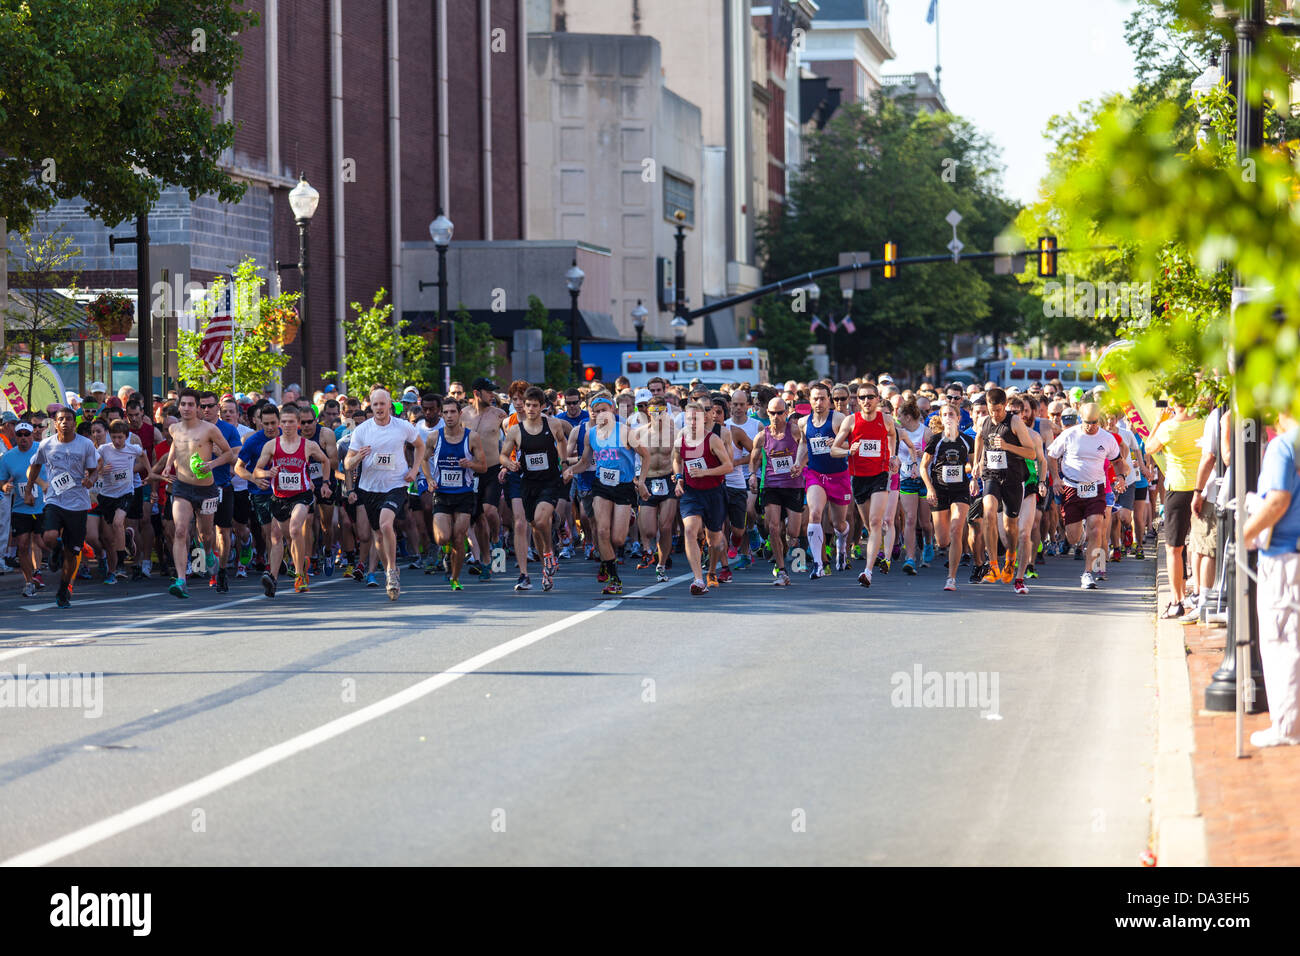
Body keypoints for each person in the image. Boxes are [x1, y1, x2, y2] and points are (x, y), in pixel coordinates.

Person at [1243, 410, 1300, 746]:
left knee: (1283, 642)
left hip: (1283, 558)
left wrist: (1245, 532)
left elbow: (1278, 500)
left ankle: (1287, 726)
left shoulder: (1283, 448)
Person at [343, 388, 426, 600]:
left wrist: (414, 470)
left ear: (390, 405)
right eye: (375, 405)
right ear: (370, 406)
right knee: (378, 535)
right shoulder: (362, 431)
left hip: (396, 484)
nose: (379, 408)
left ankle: (390, 572)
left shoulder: (403, 427)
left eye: (383, 404)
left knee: (386, 523)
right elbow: (347, 463)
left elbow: (420, 446)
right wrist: (357, 458)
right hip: (369, 488)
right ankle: (391, 568)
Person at [152, 389, 235, 599]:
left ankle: (207, 553)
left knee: (206, 534)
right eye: (184, 404)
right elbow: (175, 447)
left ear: (198, 408)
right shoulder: (174, 429)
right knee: (180, 530)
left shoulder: (210, 430)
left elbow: (228, 454)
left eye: (191, 405)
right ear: (179, 407)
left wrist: (212, 464)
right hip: (182, 487)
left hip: (207, 489)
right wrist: (168, 465)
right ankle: (181, 580)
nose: (187, 408)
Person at [563, 394, 645, 594]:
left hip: (624, 486)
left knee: (617, 539)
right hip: (601, 485)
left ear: (613, 411)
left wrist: (641, 481)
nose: (600, 415)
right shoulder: (590, 434)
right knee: (601, 532)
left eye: (604, 410)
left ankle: (629, 517)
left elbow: (646, 455)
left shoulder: (626, 432)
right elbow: (584, 462)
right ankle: (614, 578)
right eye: (596, 411)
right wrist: (570, 471)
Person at [1046, 402, 1129, 591]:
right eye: (1086, 422)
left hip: (1096, 488)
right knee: (1073, 537)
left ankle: (1088, 573)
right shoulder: (1070, 435)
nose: (1090, 426)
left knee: (1097, 527)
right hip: (1072, 487)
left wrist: (1121, 477)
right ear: (1080, 419)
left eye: (1093, 422)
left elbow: (1118, 462)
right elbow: (1051, 456)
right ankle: (1080, 536)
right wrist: (1056, 478)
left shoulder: (1107, 438)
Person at [252, 403, 333, 595]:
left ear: (297, 423)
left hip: (302, 495)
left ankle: (299, 575)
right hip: (280, 497)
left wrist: (326, 483)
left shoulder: (308, 445)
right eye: (284, 422)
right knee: (277, 536)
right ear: (280, 423)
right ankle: (272, 577)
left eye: (291, 422)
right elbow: (255, 471)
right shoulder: (271, 445)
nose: (287, 425)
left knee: (296, 528)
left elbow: (325, 461)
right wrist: (266, 473)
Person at [499, 386, 571, 591]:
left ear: (542, 406)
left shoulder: (553, 424)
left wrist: (564, 464)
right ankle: (545, 571)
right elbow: (503, 454)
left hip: (549, 481)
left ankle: (548, 552)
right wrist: (508, 464)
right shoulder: (515, 430)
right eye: (527, 405)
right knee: (536, 526)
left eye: (534, 405)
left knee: (540, 520)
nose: (530, 409)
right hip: (528, 483)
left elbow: (562, 441)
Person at [26, 407, 99, 608]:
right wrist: (29, 490)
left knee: (72, 552)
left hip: (78, 504)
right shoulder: (46, 445)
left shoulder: (85, 445)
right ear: (55, 423)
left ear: (74, 423)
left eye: (68, 419)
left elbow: (94, 470)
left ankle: (63, 590)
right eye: (61, 419)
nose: (65, 422)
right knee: (48, 536)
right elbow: (35, 466)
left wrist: (90, 480)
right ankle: (55, 549)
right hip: (55, 500)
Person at [832, 382, 902, 588]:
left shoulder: (886, 420)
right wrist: (848, 451)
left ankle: (868, 571)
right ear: (857, 401)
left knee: (875, 522)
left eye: (870, 397)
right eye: (861, 398)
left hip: (880, 475)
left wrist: (893, 456)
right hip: (858, 478)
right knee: (868, 525)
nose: (866, 401)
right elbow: (834, 449)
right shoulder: (851, 421)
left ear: (877, 399)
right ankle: (853, 549)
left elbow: (893, 436)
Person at [1146, 399, 1204, 615]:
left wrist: (1159, 419)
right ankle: (1198, 594)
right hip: (1201, 487)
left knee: (1173, 547)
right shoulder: (1204, 422)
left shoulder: (1168, 427)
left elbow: (1149, 446)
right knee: (1199, 545)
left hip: (1178, 489)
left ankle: (1177, 600)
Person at [428, 394, 487, 590]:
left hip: (464, 493)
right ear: (441, 415)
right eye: (446, 412)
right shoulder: (434, 437)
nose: (449, 416)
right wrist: (428, 478)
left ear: (460, 414)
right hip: (442, 494)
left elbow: (483, 467)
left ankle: (454, 578)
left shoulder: (472, 437)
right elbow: (422, 458)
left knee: (459, 536)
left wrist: (470, 463)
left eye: (453, 412)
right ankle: (445, 553)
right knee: (443, 538)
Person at [674, 401, 733, 595]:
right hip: (691, 493)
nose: (692, 422)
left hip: (714, 493)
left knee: (714, 541)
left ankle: (712, 570)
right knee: (690, 530)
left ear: (704, 418)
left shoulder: (713, 439)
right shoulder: (681, 436)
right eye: (689, 418)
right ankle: (698, 580)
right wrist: (680, 478)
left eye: (696, 418)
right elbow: (677, 459)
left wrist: (706, 472)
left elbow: (728, 466)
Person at [750, 396, 805, 587]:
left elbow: (806, 450)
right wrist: (751, 475)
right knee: (773, 527)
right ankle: (781, 571)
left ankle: (790, 543)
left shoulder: (795, 430)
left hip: (793, 485)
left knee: (793, 532)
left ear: (786, 413)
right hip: (771, 485)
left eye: (779, 413)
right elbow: (755, 457)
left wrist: (800, 464)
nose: (775, 416)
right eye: (771, 413)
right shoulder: (763, 435)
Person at [921, 403, 975, 591]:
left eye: (951, 414)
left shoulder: (968, 440)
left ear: (958, 418)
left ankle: (951, 578)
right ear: (941, 419)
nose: (948, 417)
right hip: (940, 490)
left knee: (956, 528)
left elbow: (973, 465)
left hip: (960, 491)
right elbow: (923, 466)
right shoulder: (936, 440)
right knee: (943, 540)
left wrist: (971, 473)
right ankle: (950, 548)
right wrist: (929, 489)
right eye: (945, 415)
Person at [92, 419, 148, 585]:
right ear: (110, 436)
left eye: (120, 438)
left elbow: (144, 456)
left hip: (126, 493)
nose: (117, 441)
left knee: (117, 524)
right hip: (107, 495)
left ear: (126, 437)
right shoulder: (103, 449)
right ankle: (126, 537)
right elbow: (93, 468)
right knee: (112, 532)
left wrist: (150, 473)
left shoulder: (133, 448)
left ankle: (121, 565)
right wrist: (102, 470)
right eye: (114, 437)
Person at [0, 421, 45, 596]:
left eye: (27, 434)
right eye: (20, 435)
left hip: (43, 506)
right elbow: (2, 480)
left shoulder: (42, 450)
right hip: (21, 508)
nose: (24, 438)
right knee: (23, 545)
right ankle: (29, 582)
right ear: (15, 437)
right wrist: (4, 487)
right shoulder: (8, 457)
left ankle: (53, 557)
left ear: (32, 435)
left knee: (42, 542)